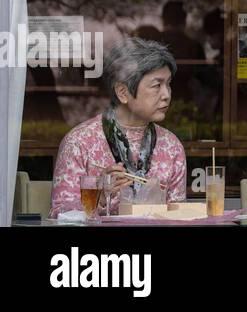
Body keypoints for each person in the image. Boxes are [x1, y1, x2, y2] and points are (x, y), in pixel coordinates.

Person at [50, 38, 189, 216]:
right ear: (123, 92)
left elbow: (178, 216)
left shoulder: (171, 146)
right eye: (157, 85)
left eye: (168, 84)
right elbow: (58, 215)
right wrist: (98, 197)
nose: (167, 94)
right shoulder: (80, 142)